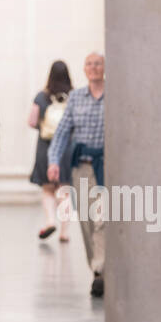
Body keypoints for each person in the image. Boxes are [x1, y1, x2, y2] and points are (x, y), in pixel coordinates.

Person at [47, 51, 106, 296]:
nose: (93, 68)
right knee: (87, 221)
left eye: (98, 64)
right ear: (84, 69)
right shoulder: (76, 98)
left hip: (106, 165)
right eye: (89, 64)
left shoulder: (115, 95)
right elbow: (62, 132)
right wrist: (53, 161)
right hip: (81, 167)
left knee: (103, 219)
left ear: (104, 67)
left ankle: (102, 269)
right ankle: (96, 268)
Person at [29, 60, 73, 241]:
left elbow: (31, 121)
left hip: (45, 145)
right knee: (65, 189)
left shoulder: (42, 97)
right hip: (67, 146)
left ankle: (50, 221)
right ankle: (64, 232)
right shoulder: (74, 96)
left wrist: (44, 125)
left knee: (48, 188)